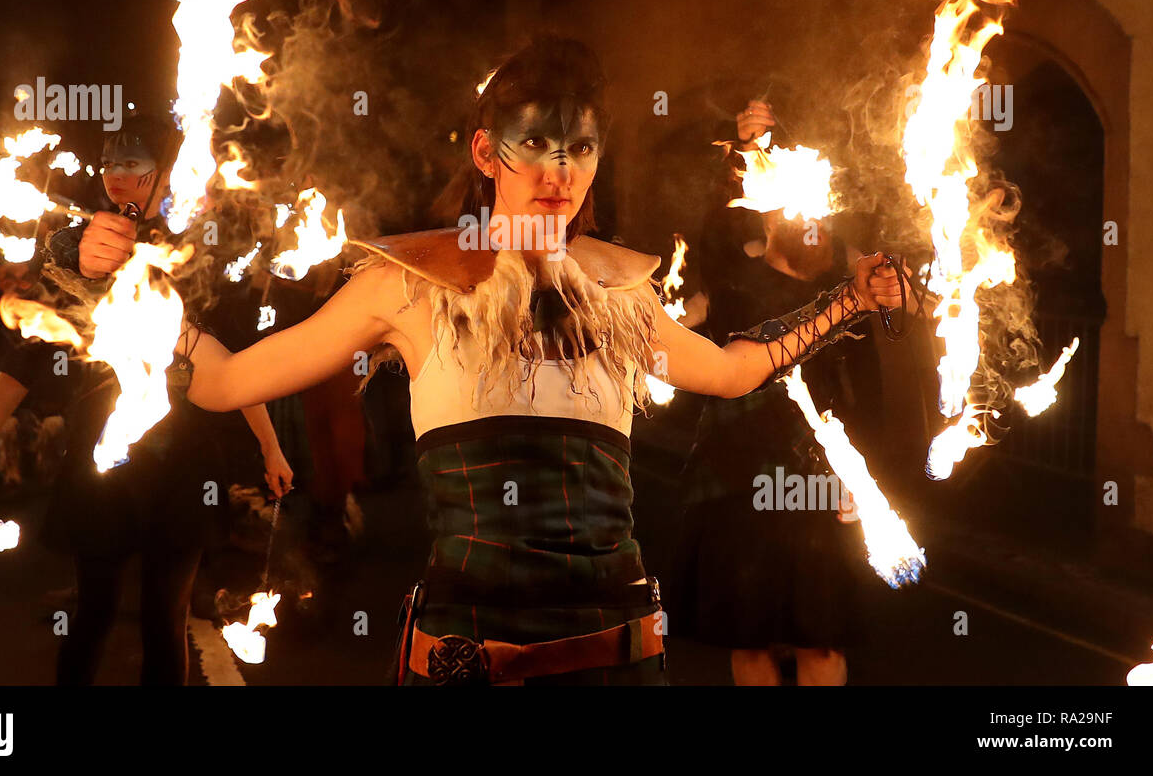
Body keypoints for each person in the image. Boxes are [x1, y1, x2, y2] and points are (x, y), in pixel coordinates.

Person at [160, 36, 909, 686]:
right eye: (534, 146)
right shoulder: (408, 285)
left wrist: (849, 302)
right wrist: (145, 303)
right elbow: (227, 382)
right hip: (470, 653)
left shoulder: (620, 290)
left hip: (616, 653)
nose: (559, 173)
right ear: (488, 151)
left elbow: (732, 370)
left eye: (579, 148)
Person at [0, 120, 294, 685]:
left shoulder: (198, 253)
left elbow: (229, 364)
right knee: (93, 611)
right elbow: (23, 361)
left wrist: (271, 446)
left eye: (133, 165)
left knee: (166, 618)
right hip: (100, 464)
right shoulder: (76, 244)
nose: (115, 176)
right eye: (109, 163)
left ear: (166, 175)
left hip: (183, 463)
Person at [669, 99, 886, 686]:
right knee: (751, 638)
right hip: (738, 479)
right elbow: (702, 224)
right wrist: (742, 145)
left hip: (816, 478)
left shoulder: (846, 290)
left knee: (819, 638)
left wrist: (866, 477)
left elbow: (869, 394)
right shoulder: (732, 273)